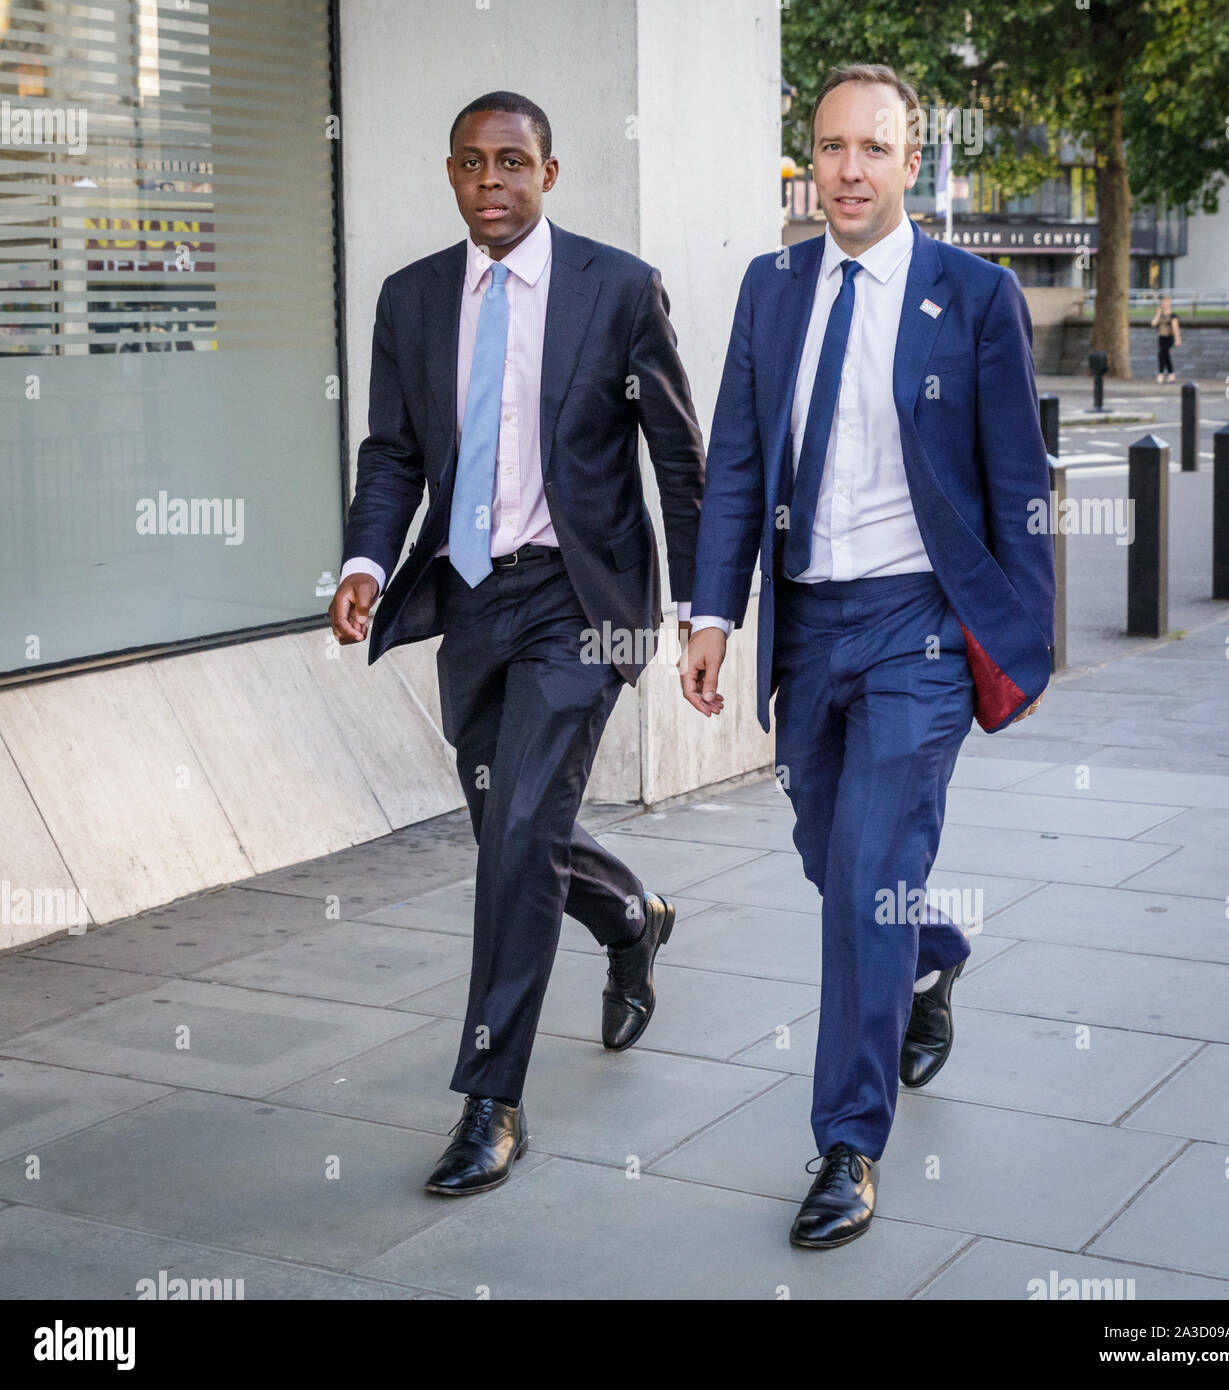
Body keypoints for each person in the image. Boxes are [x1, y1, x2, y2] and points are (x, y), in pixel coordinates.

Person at [678, 63, 1054, 1249]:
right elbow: (737, 459)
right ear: (811, 159)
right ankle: (932, 952)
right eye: (829, 148)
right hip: (808, 623)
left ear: (908, 160)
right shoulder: (771, 285)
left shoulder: (974, 293)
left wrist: (1019, 641)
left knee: (868, 863)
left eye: (871, 149)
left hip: (919, 630)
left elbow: (1016, 479)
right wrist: (711, 613)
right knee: (832, 852)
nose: (847, 170)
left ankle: (846, 1140)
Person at [330, 91, 704, 1197]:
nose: (490, 181)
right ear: (449, 175)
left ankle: (492, 1099)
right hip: (472, 599)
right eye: (469, 164)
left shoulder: (618, 290)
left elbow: (677, 461)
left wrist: (704, 610)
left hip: (584, 604)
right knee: (510, 822)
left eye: (511, 162)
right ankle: (631, 913)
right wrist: (362, 561)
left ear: (549, 171)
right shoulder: (412, 299)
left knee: (515, 837)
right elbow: (392, 452)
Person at [1150, 295, 1181, 382]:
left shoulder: (1173, 316)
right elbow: (1153, 323)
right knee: (1166, 356)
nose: (1164, 304)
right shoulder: (1160, 315)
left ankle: (1160, 374)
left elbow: (1175, 328)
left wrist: (1177, 339)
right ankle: (1171, 374)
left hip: (1169, 338)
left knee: (1161, 354)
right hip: (1161, 337)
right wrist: (1158, 314)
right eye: (1163, 303)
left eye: (1166, 302)